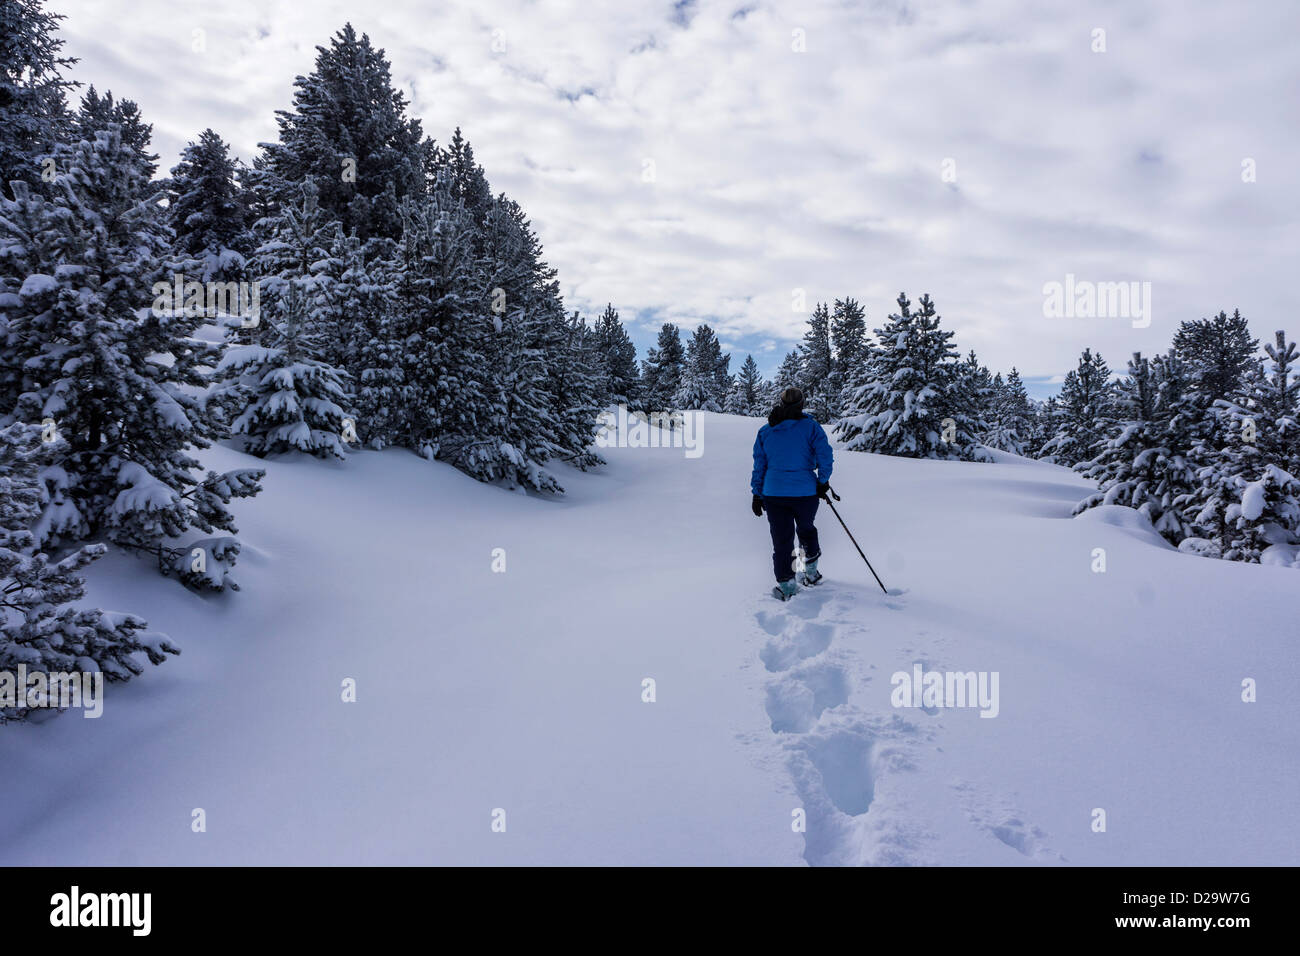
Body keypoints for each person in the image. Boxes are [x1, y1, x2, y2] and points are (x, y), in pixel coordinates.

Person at [750, 387, 834, 600]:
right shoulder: (811, 428)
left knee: (782, 539)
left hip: (774, 493)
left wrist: (757, 494)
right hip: (805, 492)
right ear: (801, 404)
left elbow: (759, 465)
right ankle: (811, 573)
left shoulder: (766, 430)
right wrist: (823, 482)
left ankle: (788, 584)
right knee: (805, 531)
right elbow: (825, 456)